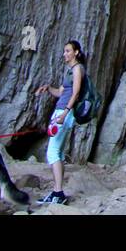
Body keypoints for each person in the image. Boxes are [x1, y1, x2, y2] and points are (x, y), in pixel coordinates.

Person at [34, 39, 86, 206]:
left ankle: (58, 193)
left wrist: (65, 113)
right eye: (64, 51)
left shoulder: (78, 69)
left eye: (68, 51)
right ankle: (58, 192)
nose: (65, 54)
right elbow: (60, 92)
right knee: (59, 153)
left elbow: (76, 93)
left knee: (52, 152)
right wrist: (48, 88)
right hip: (61, 111)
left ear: (76, 52)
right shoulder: (69, 71)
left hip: (64, 113)